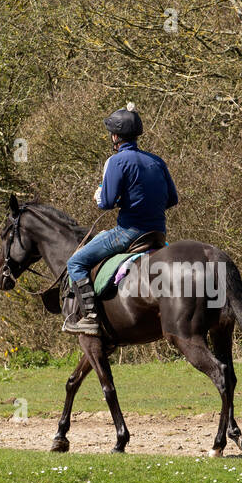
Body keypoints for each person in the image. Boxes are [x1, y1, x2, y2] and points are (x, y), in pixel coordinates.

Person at [63, 103, 178, 334]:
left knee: (75, 262)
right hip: (157, 233)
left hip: (128, 232)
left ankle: (91, 317)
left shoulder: (116, 161)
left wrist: (103, 195)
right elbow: (172, 199)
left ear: (115, 136)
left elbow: (104, 203)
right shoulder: (157, 161)